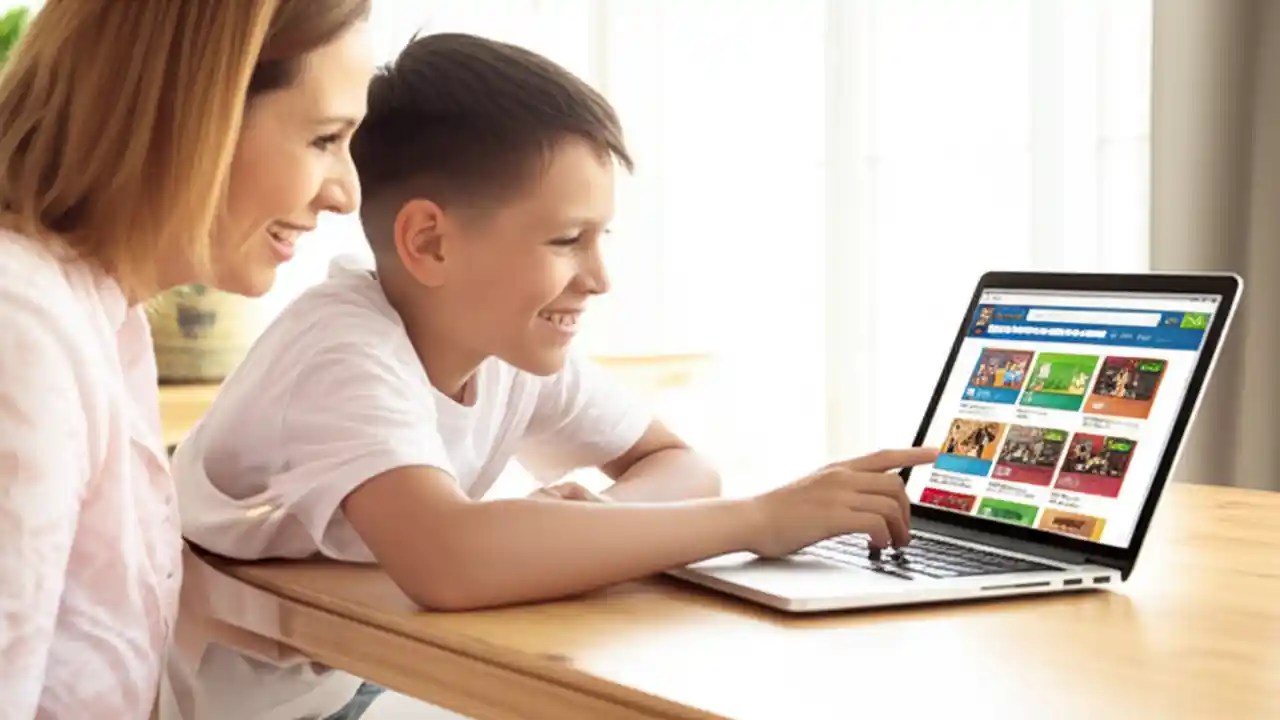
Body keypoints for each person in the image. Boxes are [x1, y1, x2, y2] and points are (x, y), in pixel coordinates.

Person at [170, 33, 935, 718]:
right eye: (569, 239)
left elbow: (681, 466)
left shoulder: (505, 349)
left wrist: (600, 520)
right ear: (430, 243)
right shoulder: (341, 349)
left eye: (601, 238)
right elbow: (450, 560)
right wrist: (761, 520)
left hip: (345, 682)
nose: (599, 277)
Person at [0, 1, 373, 717]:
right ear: (194, 113)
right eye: (326, 138)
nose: (345, 193)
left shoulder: (105, 321)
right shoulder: (25, 334)